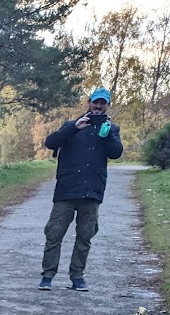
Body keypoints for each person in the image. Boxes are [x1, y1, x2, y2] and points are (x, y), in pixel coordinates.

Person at [38, 87, 123, 292]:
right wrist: (75, 128)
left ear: (107, 106)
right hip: (67, 190)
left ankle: (77, 277)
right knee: (54, 233)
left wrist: (107, 135)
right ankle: (47, 276)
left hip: (92, 191)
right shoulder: (72, 125)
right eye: (95, 102)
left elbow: (116, 153)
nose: (98, 106)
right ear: (88, 103)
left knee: (85, 236)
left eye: (102, 103)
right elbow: (51, 143)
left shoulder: (112, 129)